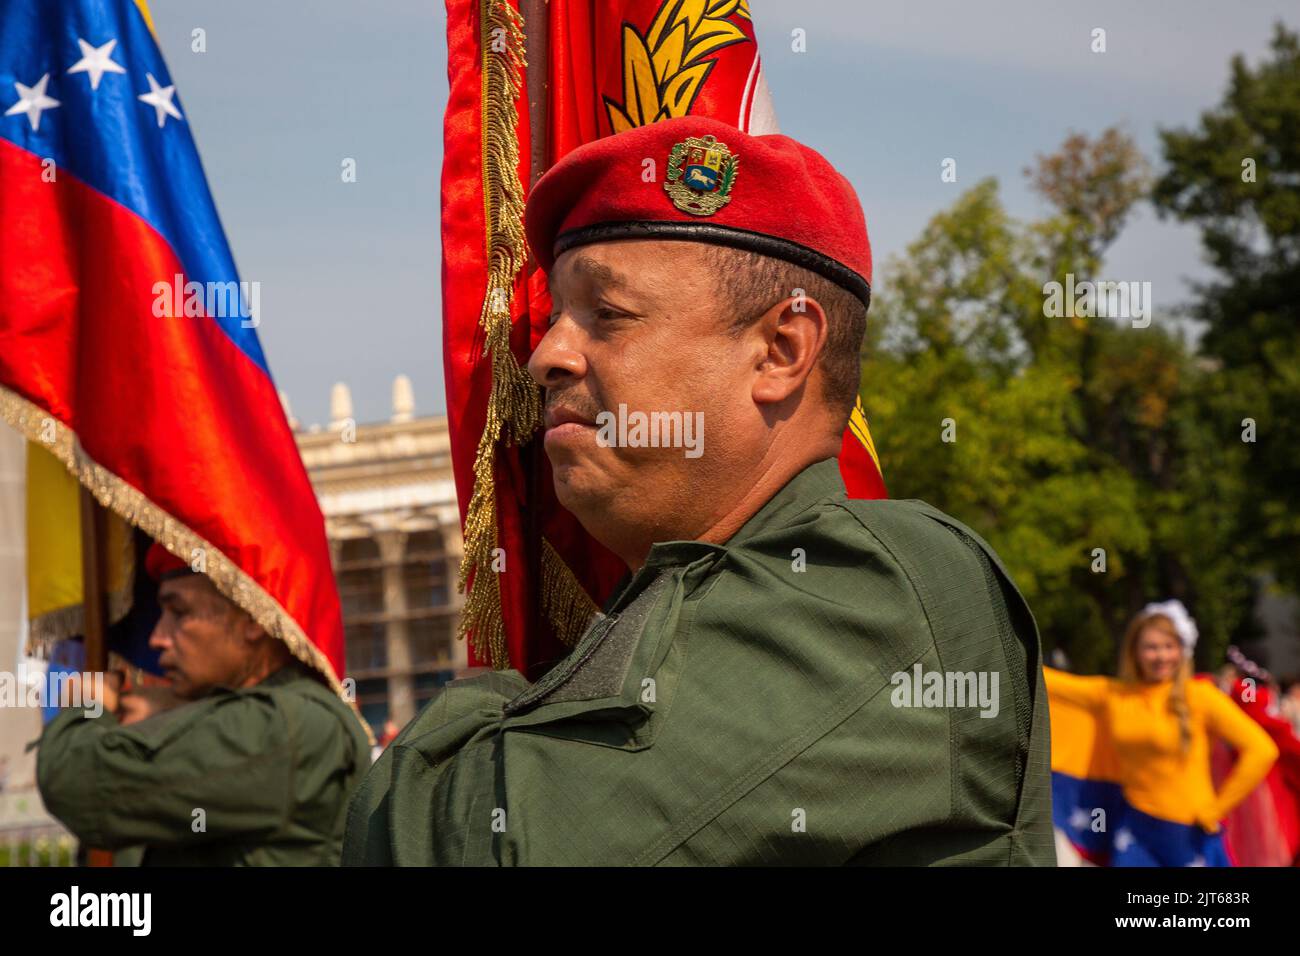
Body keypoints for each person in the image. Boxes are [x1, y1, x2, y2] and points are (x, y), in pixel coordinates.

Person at [345, 116, 1055, 866]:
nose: (546, 356)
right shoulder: (687, 587)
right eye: (556, 317)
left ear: (781, 351)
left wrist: (478, 706)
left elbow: (478, 848)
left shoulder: (870, 590)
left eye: (607, 316)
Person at [36, 543, 371, 865]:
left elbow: (76, 784)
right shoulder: (283, 715)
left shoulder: (281, 724)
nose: (157, 638)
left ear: (252, 617)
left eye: (179, 613)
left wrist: (89, 706)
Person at [1045, 601, 1278, 866]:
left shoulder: (1200, 696)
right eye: (1151, 647)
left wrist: (1217, 807)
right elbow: (1049, 683)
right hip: (1135, 828)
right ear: (1135, 651)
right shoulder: (1113, 695)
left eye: (1169, 647)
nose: (1161, 656)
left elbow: (1262, 749)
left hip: (1188, 832)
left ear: (1182, 651)